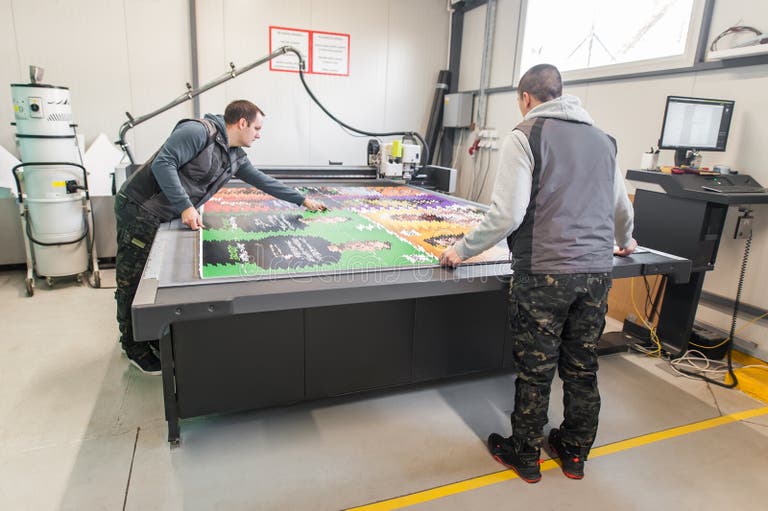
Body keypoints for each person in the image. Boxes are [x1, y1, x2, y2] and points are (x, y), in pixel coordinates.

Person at [439, 64, 636, 483]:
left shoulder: (525, 135)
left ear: (526, 97)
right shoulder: (605, 140)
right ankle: (574, 451)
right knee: (582, 365)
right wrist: (627, 239)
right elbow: (621, 207)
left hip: (545, 271)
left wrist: (461, 249)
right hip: (597, 272)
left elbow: (508, 213)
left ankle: (525, 453)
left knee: (536, 367)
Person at [115, 100, 326, 375]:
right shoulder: (198, 132)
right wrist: (185, 206)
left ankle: (146, 336)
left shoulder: (235, 155)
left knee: (147, 277)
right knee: (132, 280)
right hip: (139, 208)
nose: (259, 134)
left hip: (161, 213)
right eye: (257, 128)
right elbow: (164, 164)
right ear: (242, 123)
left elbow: (262, 181)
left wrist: (302, 200)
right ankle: (133, 348)